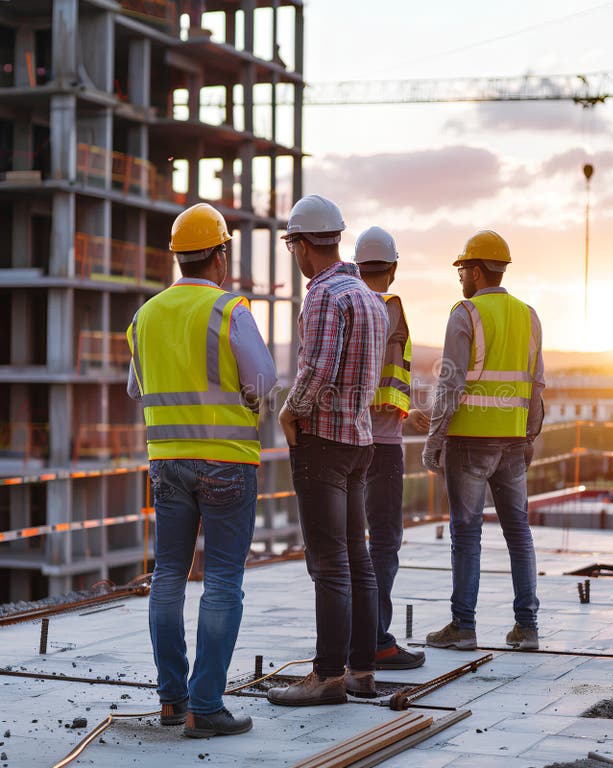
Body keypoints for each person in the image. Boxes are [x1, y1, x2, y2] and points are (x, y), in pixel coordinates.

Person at [126, 203, 277, 737]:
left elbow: (136, 387)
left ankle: (172, 700)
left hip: (166, 461)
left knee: (168, 577)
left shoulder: (146, 315)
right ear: (219, 254)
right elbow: (262, 381)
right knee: (221, 581)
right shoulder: (228, 309)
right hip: (226, 462)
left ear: (176, 259)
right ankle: (205, 706)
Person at [267, 195, 389, 706]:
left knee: (330, 564)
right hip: (360, 441)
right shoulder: (367, 295)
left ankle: (327, 676)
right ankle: (362, 670)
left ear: (300, 245)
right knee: (357, 560)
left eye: (292, 243)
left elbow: (316, 368)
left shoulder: (322, 296)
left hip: (323, 443)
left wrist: (290, 411)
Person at [422, 230, 545, 652]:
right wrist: (528, 437)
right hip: (512, 442)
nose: (460, 278)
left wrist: (433, 441)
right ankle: (527, 627)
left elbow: (450, 384)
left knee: (466, 533)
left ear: (477, 271)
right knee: (519, 532)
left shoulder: (465, 313)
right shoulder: (528, 315)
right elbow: (537, 387)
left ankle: (463, 626)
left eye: (462, 270)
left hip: (469, 442)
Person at [353, 226, 429, 671]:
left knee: (348, 543)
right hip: (381, 447)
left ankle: (350, 635)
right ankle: (376, 640)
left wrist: (408, 410)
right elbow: (383, 379)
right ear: (393, 268)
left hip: (346, 441)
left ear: (358, 266)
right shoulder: (388, 310)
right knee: (383, 542)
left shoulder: (345, 305)